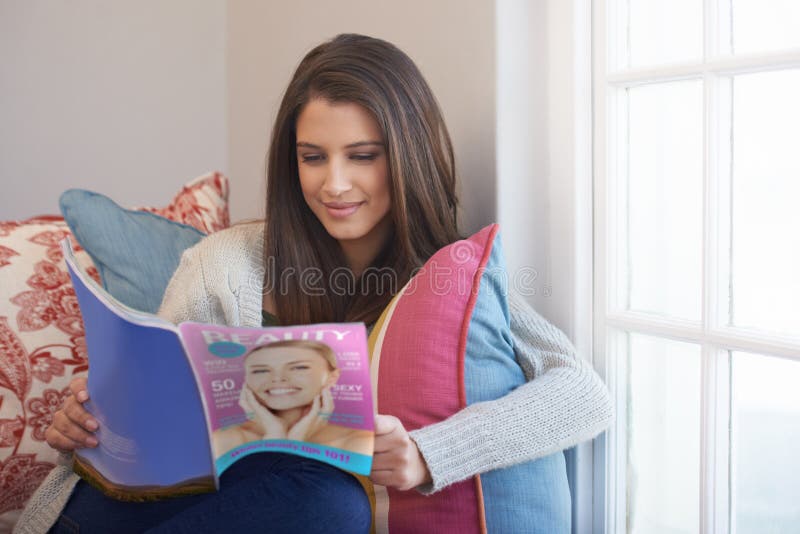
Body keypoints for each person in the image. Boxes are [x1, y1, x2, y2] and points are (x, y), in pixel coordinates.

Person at [18, 33, 613, 533]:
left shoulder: (448, 279)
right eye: (312, 157)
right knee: (328, 501)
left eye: (362, 155)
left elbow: (584, 394)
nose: (334, 184)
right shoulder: (224, 264)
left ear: (408, 156)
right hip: (130, 508)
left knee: (330, 501)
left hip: (290, 510)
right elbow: (148, 410)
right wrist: (87, 426)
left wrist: (432, 454)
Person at [211, 340, 372, 458]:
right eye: (260, 371)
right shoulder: (226, 438)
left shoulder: (355, 441)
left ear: (332, 377)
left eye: (298, 367)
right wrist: (275, 435)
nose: (278, 379)